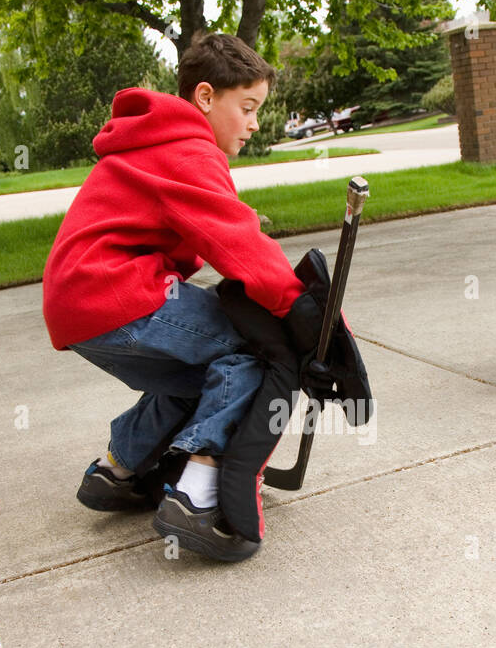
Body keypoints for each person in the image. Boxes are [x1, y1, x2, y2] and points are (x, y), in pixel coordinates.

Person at [42, 34, 325, 562]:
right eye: (247, 107)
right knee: (252, 351)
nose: (254, 123)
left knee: (195, 378)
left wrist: (236, 224)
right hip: (118, 292)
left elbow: (193, 224)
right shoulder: (189, 148)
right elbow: (234, 244)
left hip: (75, 306)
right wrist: (299, 309)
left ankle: (116, 470)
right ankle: (197, 492)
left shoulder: (154, 142)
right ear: (204, 96)